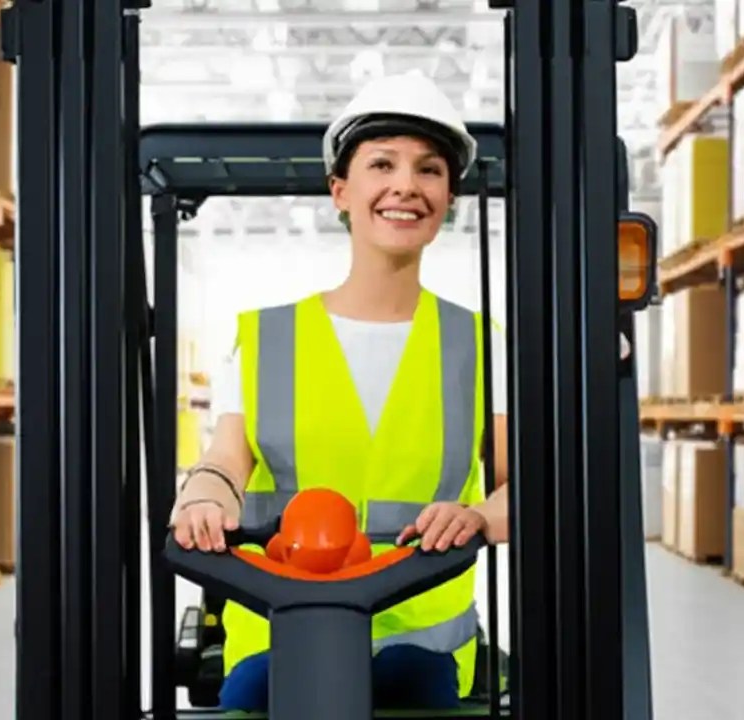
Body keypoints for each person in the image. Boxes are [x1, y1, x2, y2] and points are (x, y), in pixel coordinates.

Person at [168, 70, 511, 712]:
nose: (406, 185)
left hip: (425, 650)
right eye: (382, 164)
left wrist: (480, 517)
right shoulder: (268, 338)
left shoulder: (481, 342)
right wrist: (203, 500)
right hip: (279, 636)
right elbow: (224, 462)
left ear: (449, 197)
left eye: (429, 169)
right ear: (341, 192)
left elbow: (530, 488)